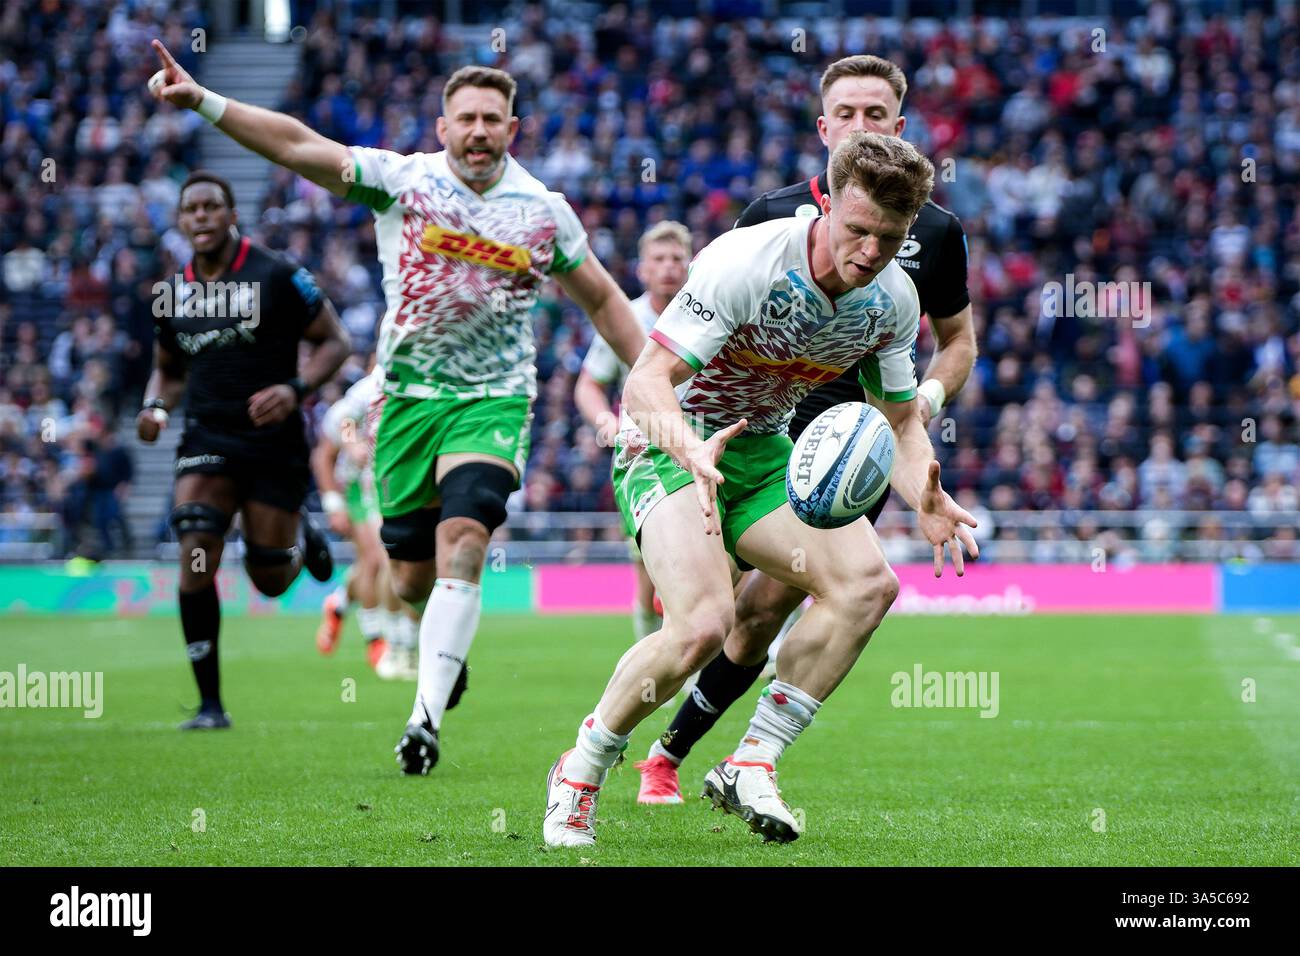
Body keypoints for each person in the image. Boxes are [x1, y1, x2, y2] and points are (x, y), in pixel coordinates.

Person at [149, 43, 645, 769]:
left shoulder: (544, 214)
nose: (479, 131)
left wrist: (659, 381)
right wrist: (205, 103)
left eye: (493, 120)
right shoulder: (402, 182)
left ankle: (423, 720)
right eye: (465, 119)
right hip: (406, 403)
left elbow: (602, 297)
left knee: (468, 539)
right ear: (441, 127)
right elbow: (297, 146)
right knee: (411, 576)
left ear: (514, 128)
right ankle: (442, 642)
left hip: (494, 399)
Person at [543, 132, 979, 847]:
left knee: (869, 585)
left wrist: (925, 497)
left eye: (888, 238)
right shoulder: (746, 261)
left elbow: (901, 424)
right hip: (671, 441)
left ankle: (751, 761)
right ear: (830, 204)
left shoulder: (895, 303)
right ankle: (581, 770)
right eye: (857, 230)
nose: (869, 252)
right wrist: (685, 444)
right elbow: (645, 381)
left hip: (765, 451)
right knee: (704, 622)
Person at [636, 54, 979, 804]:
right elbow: (707, 331)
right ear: (824, 127)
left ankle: (719, 760)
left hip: (857, 442)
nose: (861, 125)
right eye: (847, 115)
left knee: (778, 606)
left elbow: (958, 343)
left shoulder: (936, 233)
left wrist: (921, 406)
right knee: (716, 612)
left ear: (899, 125)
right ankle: (654, 745)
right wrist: (681, 430)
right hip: (757, 425)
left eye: (876, 114)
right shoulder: (767, 217)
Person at [138, 170, 350, 730]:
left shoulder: (278, 274)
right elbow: (167, 371)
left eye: (212, 206)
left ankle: (300, 536)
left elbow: (336, 341)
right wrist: (155, 408)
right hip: (207, 439)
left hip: (273, 444)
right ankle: (210, 704)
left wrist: (295, 390)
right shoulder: (170, 292)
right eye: (192, 209)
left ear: (231, 215)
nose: (202, 216)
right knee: (195, 544)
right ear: (182, 221)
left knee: (270, 579)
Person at [572, 220, 691, 647]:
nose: (668, 268)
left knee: (706, 564)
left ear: (690, 264)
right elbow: (587, 384)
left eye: (677, 258)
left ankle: (708, 657)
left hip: (697, 449)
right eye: (658, 260)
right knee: (648, 570)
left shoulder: (705, 315)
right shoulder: (628, 318)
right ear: (642, 270)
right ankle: (649, 654)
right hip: (642, 458)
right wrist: (605, 420)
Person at [312, 362, 424, 683]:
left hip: (399, 483)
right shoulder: (371, 386)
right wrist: (352, 444)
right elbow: (341, 424)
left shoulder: (425, 380)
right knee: (379, 558)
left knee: (376, 562)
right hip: (362, 486)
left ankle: (339, 603)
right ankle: (378, 639)